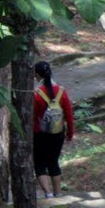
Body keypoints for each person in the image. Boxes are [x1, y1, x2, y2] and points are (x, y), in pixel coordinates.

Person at [31, 61, 74, 198]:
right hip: (58, 132)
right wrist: (70, 133)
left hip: (40, 134)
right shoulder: (61, 91)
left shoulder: (36, 94)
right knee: (53, 162)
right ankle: (58, 193)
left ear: (37, 75)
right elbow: (69, 114)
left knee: (40, 164)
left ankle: (48, 194)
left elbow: (33, 116)